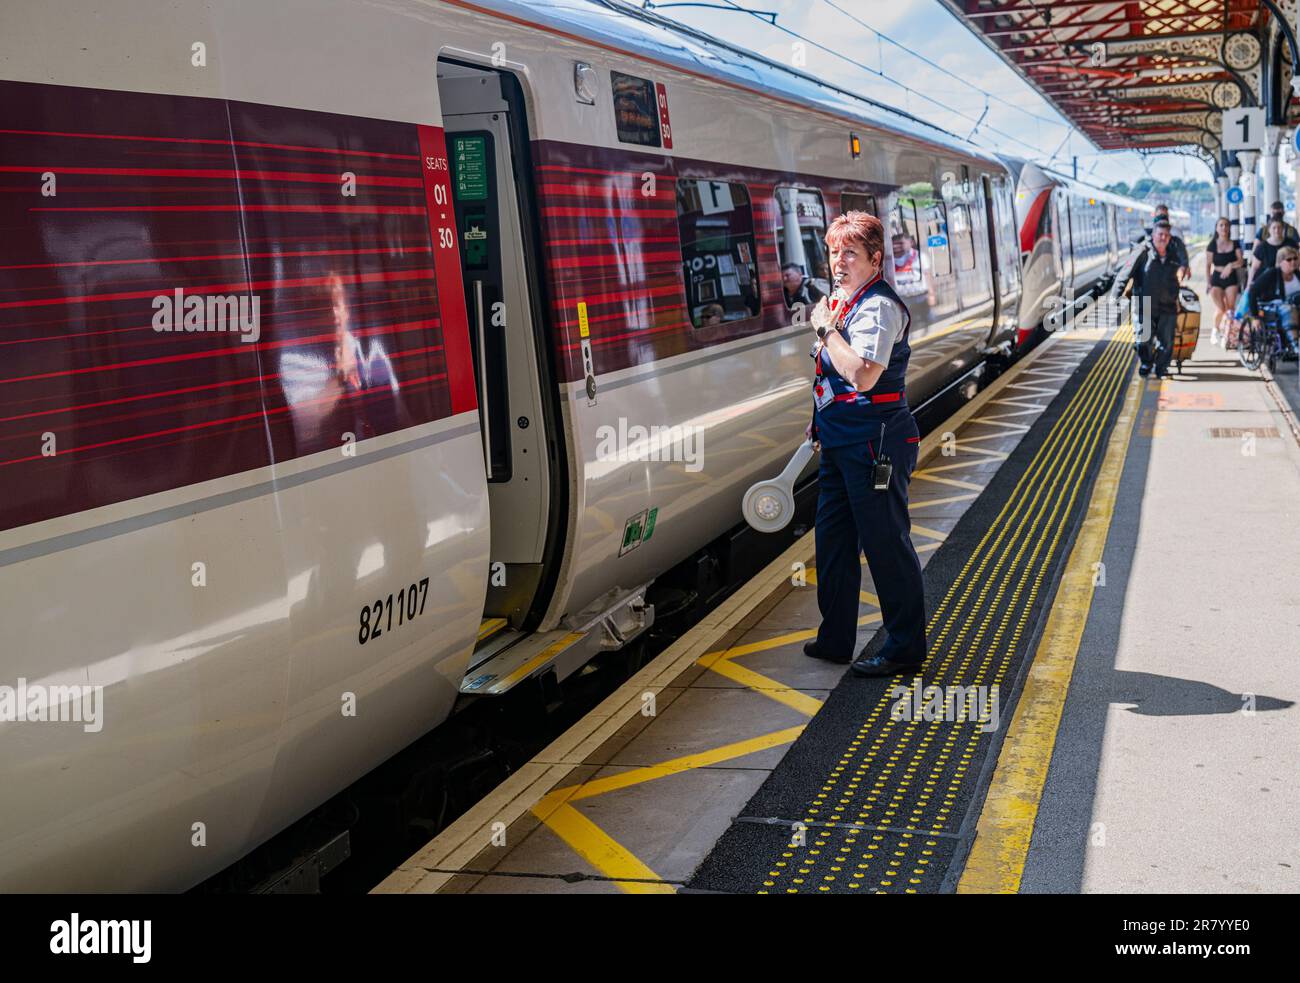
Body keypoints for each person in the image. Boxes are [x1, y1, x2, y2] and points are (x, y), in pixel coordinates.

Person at [803, 211, 926, 677]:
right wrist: (818, 423)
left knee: (885, 544)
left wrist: (825, 330)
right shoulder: (846, 301)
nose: (838, 262)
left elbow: (863, 375)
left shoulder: (877, 307)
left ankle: (904, 647)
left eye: (849, 253)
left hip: (876, 442)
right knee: (833, 541)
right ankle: (836, 638)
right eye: (834, 252)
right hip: (841, 439)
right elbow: (830, 375)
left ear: (875, 258)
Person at [1117, 221, 1181, 380]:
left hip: (1168, 305)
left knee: (1166, 342)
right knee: (1143, 340)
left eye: (1166, 235)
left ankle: (1161, 369)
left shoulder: (1173, 253)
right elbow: (1125, 273)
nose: (1163, 238)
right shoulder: (1142, 252)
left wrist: (1177, 299)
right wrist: (1115, 294)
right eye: (1160, 234)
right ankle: (1146, 362)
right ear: (1153, 236)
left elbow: (1175, 279)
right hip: (1145, 304)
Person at [1244, 244, 1300, 359]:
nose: (1293, 262)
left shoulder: (1297, 275)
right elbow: (1253, 292)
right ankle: (1295, 345)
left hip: (1295, 306)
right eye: (1289, 259)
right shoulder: (1272, 274)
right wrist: (1255, 317)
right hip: (1273, 306)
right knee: (1289, 309)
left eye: (1295, 258)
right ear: (1280, 262)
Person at [1206, 217, 1244, 345]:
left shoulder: (1235, 244)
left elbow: (1241, 261)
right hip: (1216, 277)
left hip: (1231, 278)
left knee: (1230, 309)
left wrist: (1230, 266)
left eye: (1226, 225)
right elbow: (1208, 265)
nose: (1224, 228)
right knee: (1221, 308)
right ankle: (1215, 329)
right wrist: (1208, 282)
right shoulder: (1212, 244)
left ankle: (1226, 336)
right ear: (1217, 228)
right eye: (1221, 225)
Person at [1152, 204, 1190, 281]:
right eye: (1159, 216)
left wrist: (1184, 267)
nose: (1164, 238)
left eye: (1164, 216)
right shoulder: (1148, 233)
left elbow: (1182, 252)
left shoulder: (1176, 234)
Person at [1248, 218, 1291, 289]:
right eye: (1274, 228)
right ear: (1269, 229)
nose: (1277, 230)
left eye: (1279, 227)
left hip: (1288, 279)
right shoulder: (1262, 247)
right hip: (1267, 281)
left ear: (1283, 229)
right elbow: (1254, 267)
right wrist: (1249, 285)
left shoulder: (1290, 243)